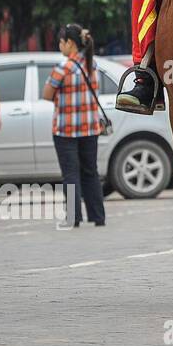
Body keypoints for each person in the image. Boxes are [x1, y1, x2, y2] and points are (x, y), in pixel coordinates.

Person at [43, 26, 107, 227]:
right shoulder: (92, 65)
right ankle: (98, 217)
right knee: (91, 172)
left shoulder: (62, 68)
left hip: (65, 130)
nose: (59, 46)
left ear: (69, 43)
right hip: (90, 128)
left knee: (70, 174)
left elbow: (46, 94)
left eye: (61, 42)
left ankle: (74, 217)